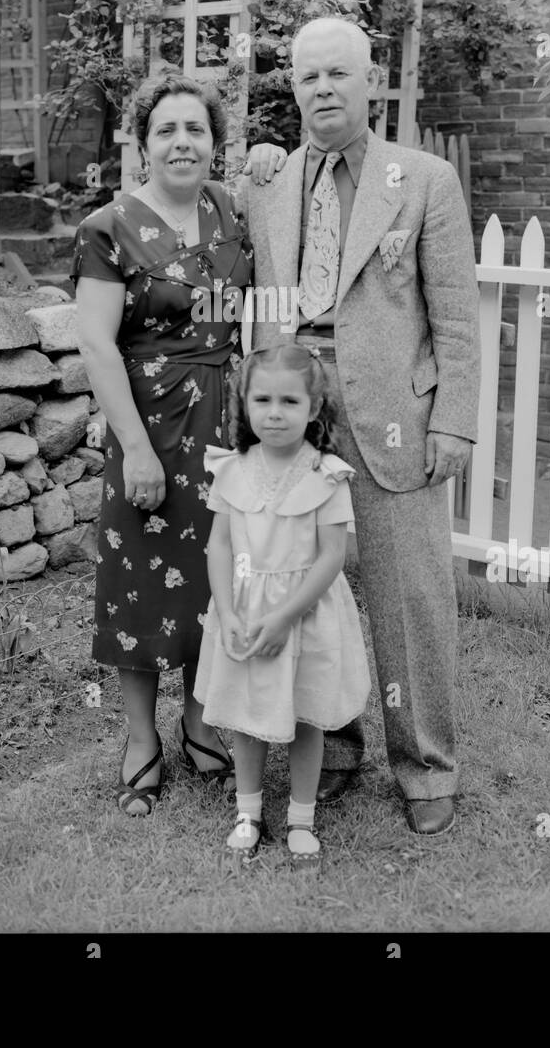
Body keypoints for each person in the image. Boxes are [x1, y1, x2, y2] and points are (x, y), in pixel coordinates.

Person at [236, 17, 481, 835]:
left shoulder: (423, 180)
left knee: (409, 596)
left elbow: (455, 319)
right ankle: (333, 749)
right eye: (308, 78)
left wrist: (454, 422)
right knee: (312, 589)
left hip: (397, 419)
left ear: (368, 80)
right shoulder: (267, 180)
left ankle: (427, 769)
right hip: (295, 416)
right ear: (293, 86)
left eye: (338, 74)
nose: (323, 90)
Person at [71, 75, 284, 817]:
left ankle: (199, 722)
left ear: (213, 143)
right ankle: (139, 740)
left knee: (211, 582)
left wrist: (267, 153)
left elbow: (287, 187)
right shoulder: (110, 226)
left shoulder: (231, 210)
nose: (182, 142)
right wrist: (134, 449)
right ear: (143, 143)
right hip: (149, 426)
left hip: (223, 428)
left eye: (196, 129)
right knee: (138, 585)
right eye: (167, 130)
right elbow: (97, 346)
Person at [194, 344, 370, 866]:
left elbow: (332, 556)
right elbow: (220, 545)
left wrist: (287, 614)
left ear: (314, 409)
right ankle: (247, 812)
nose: (275, 412)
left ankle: (301, 818)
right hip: (245, 610)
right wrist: (226, 612)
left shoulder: (326, 475)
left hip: (304, 614)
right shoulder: (232, 470)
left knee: (306, 717)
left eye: (290, 401)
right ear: (244, 403)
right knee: (247, 718)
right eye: (263, 399)